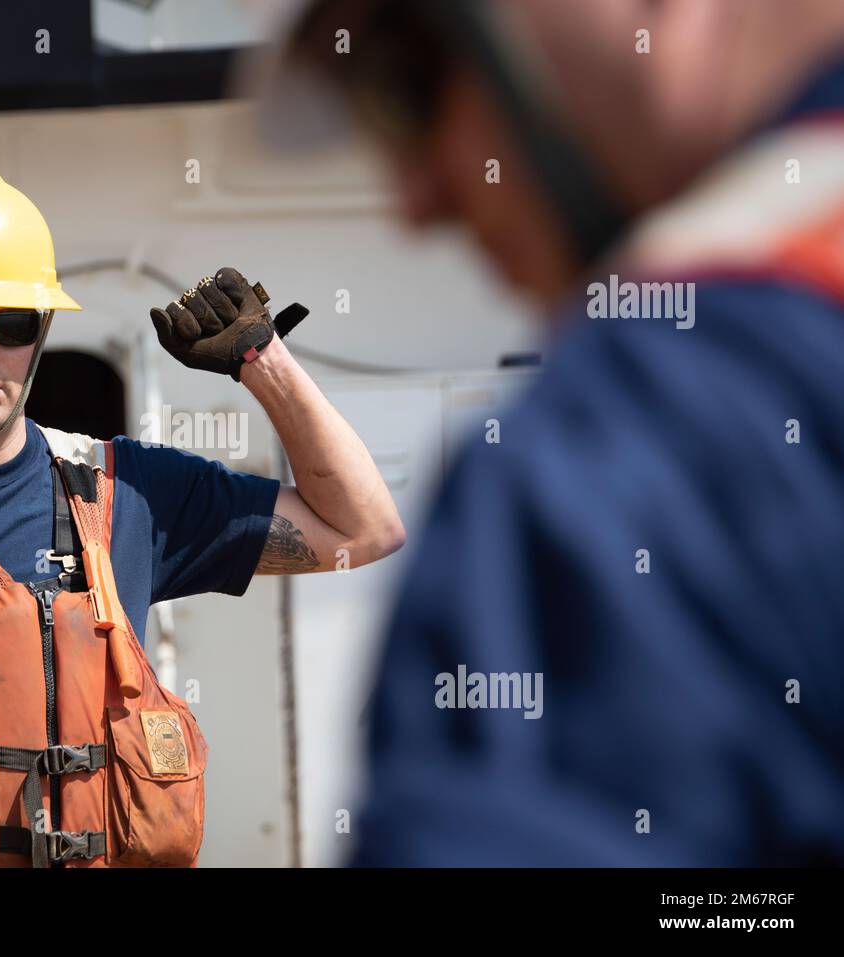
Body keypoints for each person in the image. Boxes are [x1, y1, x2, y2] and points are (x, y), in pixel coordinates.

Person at [263, 0, 844, 864]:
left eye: (402, 78)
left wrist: (262, 364)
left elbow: (360, 528)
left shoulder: (628, 439)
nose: (415, 204)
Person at [0, 167, 406, 867]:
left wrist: (263, 361)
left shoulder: (132, 495)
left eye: (14, 322)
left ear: (41, 334)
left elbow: (363, 529)